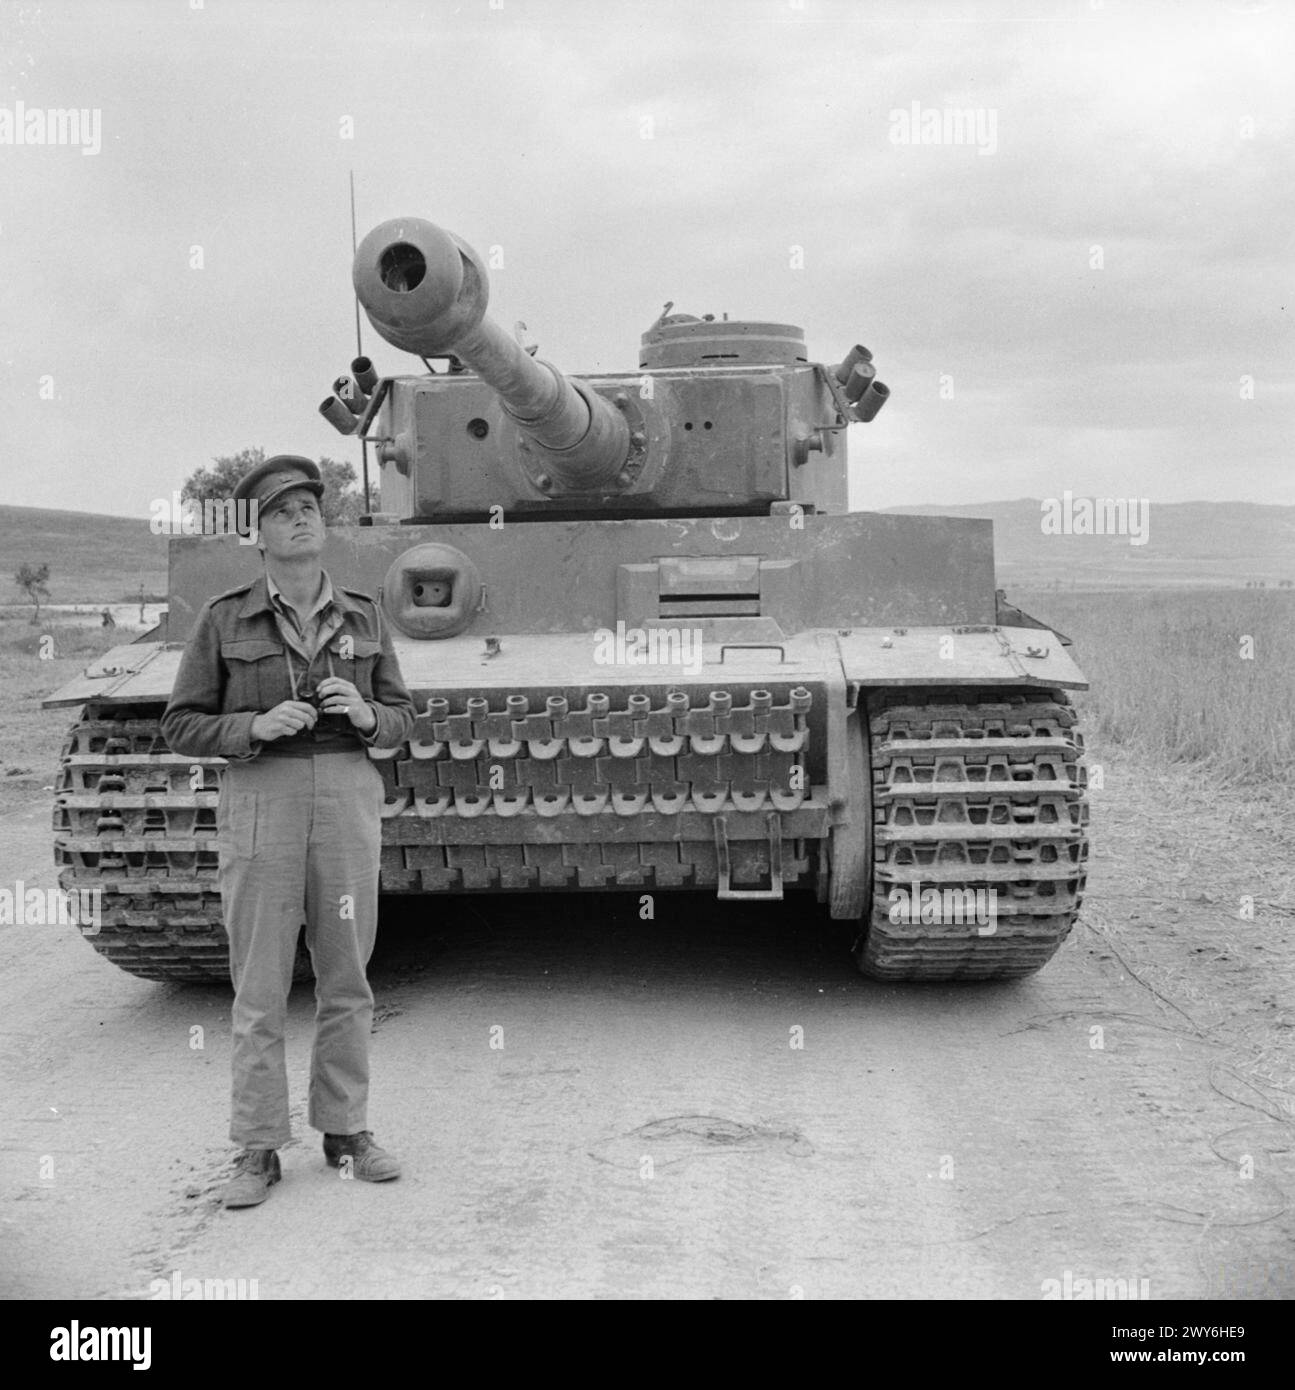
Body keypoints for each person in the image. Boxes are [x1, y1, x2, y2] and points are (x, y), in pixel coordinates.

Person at [160, 456, 415, 1209]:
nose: (300, 518)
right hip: (262, 795)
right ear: (258, 535)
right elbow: (181, 722)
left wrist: (368, 715)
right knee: (261, 983)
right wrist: (253, 725)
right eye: (281, 511)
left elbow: (402, 715)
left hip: (345, 795)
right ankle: (258, 1145)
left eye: (308, 506)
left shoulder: (365, 616)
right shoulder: (225, 618)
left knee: (347, 976)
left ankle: (346, 1131)